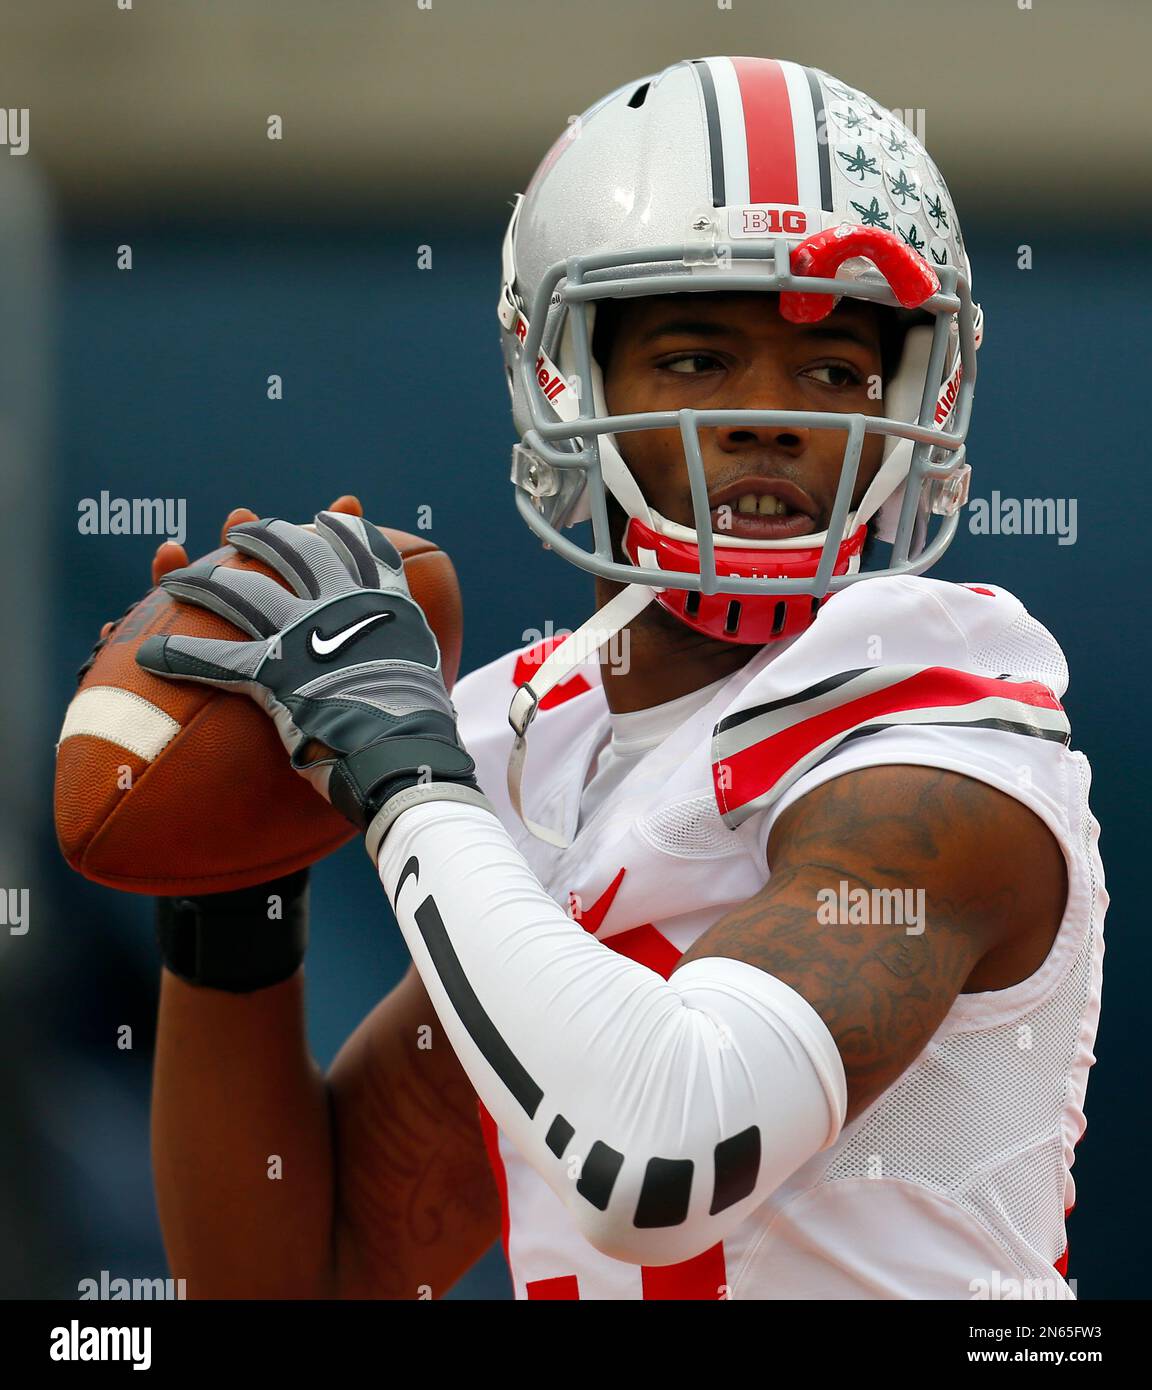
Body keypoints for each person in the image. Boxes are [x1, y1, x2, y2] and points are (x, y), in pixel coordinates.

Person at [104, 57, 1104, 1300]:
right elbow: (306, 1271)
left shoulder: (940, 740)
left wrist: (402, 775)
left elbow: (659, 1162)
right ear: (566, 378)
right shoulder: (540, 748)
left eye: (836, 369)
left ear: (910, 402)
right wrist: (230, 893)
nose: (771, 414)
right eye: (693, 357)